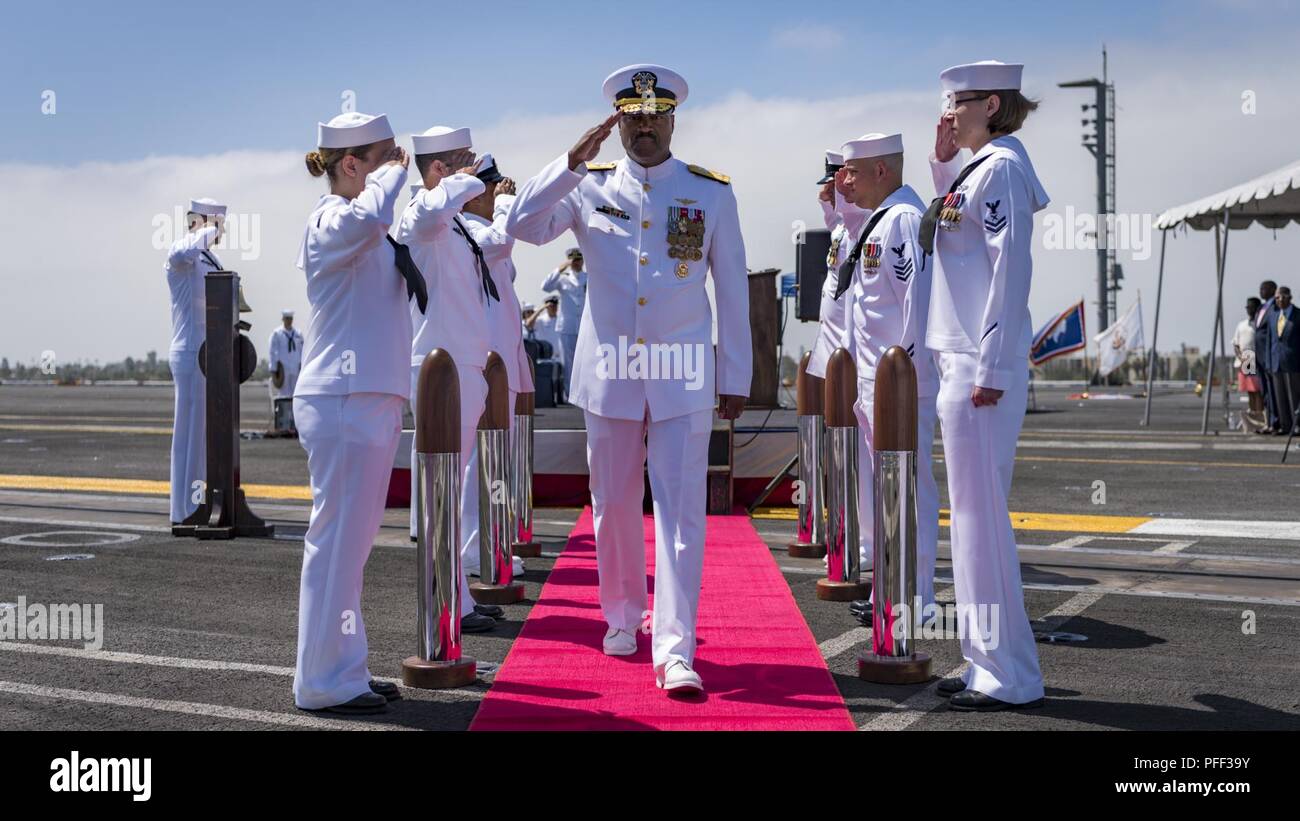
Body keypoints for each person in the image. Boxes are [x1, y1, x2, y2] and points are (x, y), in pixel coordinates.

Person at [505, 63, 751, 694]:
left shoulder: (710, 192)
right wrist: (567, 160)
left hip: (683, 373)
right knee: (612, 504)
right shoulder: (585, 186)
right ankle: (619, 617)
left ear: (674, 119)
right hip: (610, 370)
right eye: (633, 119)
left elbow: (731, 288)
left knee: (680, 511)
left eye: (656, 116)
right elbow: (520, 227)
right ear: (618, 123)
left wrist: (736, 371)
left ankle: (675, 648)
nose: (645, 129)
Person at [924, 61, 1048, 712]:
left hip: (979, 366)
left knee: (982, 526)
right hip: (959, 362)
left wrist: (995, 364)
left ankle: (1011, 674)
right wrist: (941, 163)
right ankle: (982, 660)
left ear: (990, 103)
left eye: (956, 103)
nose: (945, 113)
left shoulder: (1001, 168)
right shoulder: (979, 169)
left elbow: (1008, 268)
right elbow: (956, 240)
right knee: (969, 525)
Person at [293, 111, 414, 715]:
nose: (401, 167)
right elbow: (369, 215)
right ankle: (321, 682)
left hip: (370, 394)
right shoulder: (333, 220)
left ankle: (346, 670)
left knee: (353, 546)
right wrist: (391, 177)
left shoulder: (367, 227)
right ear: (351, 165)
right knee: (337, 542)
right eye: (388, 157)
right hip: (343, 400)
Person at [395, 125, 499, 632]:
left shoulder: (453, 224)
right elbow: (427, 212)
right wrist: (461, 181)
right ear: (439, 168)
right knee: (441, 496)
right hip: (439, 371)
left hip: (465, 367)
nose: (476, 167)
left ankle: (457, 597)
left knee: (452, 494)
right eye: (465, 159)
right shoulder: (425, 216)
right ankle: (443, 606)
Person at [837, 132, 939, 611]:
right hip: (876, 384)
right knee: (888, 489)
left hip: (900, 387)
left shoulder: (903, 220)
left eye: (853, 171)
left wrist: (905, 379)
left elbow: (917, 304)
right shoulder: (880, 220)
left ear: (882, 171)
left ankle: (913, 596)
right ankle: (892, 590)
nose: (844, 179)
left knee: (909, 487)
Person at [459, 152, 529, 580]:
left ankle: (491, 541)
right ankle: (473, 547)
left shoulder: (484, 227)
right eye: (492, 187)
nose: (499, 192)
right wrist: (505, 205)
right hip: (486, 358)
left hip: (502, 357)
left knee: (493, 460)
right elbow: (501, 244)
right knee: (477, 463)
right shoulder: (467, 229)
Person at [165, 197, 225, 524]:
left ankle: (199, 502)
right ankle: (184, 511)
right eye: (217, 223)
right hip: (190, 353)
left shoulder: (211, 259)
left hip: (212, 354)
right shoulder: (183, 254)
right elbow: (181, 252)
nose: (221, 231)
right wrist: (207, 228)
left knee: (203, 437)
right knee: (189, 435)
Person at [807, 150, 868, 386]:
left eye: (834, 189)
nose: (829, 194)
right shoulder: (842, 226)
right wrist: (825, 201)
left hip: (847, 344)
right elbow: (833, 221)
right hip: (832, 341)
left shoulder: (862, 223)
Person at [541, 247, 587, 397]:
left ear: (583, 259)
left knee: (585, 361)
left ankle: (585, 393)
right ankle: (570, 394)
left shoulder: (589, 277)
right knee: (567, 363)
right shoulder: (562, 279)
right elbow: (545, 287)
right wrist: (561, 267)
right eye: (573, 260)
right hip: (566, 326)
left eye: (578, 259)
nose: (576, 263)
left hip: (585, 327)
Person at [1269, 286, 1300, 435]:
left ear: (1288, 297)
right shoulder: (1273, 315)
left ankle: (1296, 425)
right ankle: (1285, 425)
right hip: (1276, 362)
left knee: (1293, 396)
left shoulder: (1298, 315)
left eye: (1280, 297)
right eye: (1276, 298)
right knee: (1280, 396)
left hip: (1293, 362)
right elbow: (1271, 340)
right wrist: (1269, 363)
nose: (1277, 301)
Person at [268, 309, 304, 431]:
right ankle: (284, 424)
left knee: (296, 395)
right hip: (283, 369)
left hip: (296, 367)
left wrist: (303, 366)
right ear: (283, 319)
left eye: (290, 319)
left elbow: (303, 350)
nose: (289, 321)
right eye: (287, 319)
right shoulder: (277, 333)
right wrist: (273, 370)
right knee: (284, 395)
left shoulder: (298, 333)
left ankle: (295, 424)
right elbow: (272, 352)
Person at [1234, 297, 1264, 430]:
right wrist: (1241, 357)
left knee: (1258, 391)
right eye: (1248, 307)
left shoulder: (1260, 324)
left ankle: (1260, 416)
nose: (1249, 310)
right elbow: (1236, 343)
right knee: (1250, 391)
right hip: (1246, 358)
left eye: (1252, 307)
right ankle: (1252, 417)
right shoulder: (1242, 325)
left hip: (1257, 359)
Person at [1255, 280, 1280, 433]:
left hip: (1268, 356)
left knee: (1272, 392)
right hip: (1255, 356)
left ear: (1273, 289)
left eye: (1264, 288)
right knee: (1263, 391)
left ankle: (1275, 422)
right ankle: (1268, 422)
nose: (1261, 291)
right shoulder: (1261, 308)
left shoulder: (1274, 307)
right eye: (1260, 288)